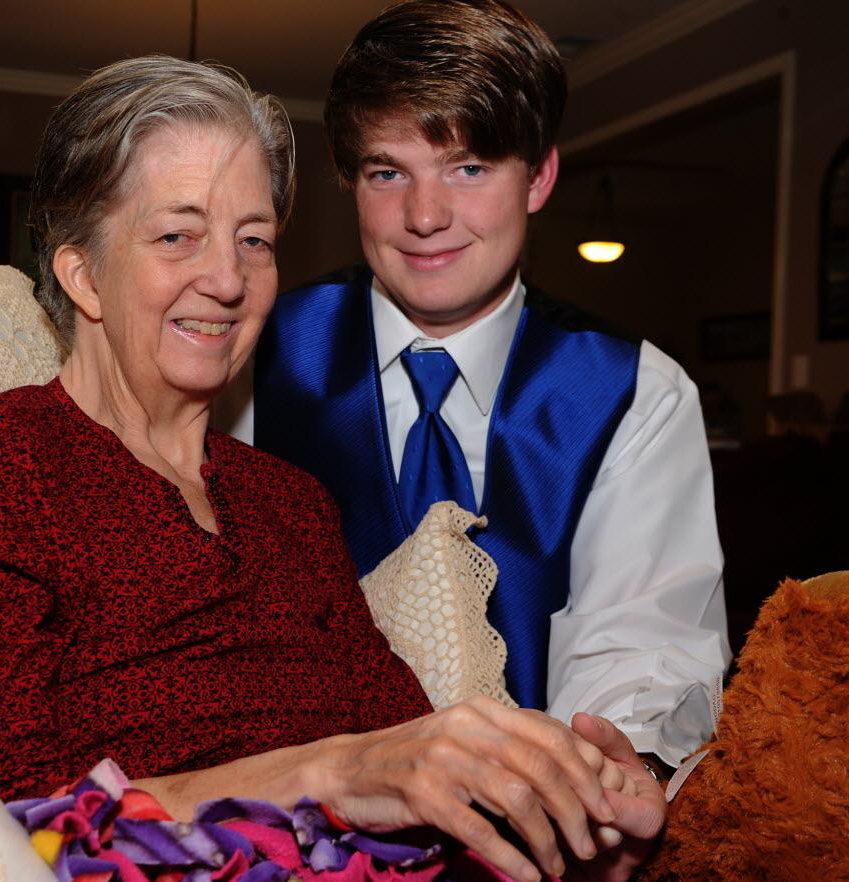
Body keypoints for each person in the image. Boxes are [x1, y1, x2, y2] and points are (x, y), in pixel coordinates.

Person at [0, 55, 653, 882]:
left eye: (253, 240)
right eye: (178, 236)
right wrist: (320, 776)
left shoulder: (288, 500)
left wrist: (568, 798)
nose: (229, 279)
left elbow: (401, 748)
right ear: (83, 273)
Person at [216, 0, 730, 795]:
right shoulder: (247, 357)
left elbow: (645, 646)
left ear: (539, 177)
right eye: (388, 173)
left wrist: (606, 773)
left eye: (469, 168)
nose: (424, 216)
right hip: (294, 817)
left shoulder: (634, 392)